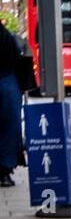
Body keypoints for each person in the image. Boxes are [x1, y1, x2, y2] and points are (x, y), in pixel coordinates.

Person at [0, 25, 34, 188]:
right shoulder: (8, 37)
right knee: (9, 129)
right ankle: (5, 172)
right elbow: (25, 52)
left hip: (7, 84)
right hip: (8, 86)